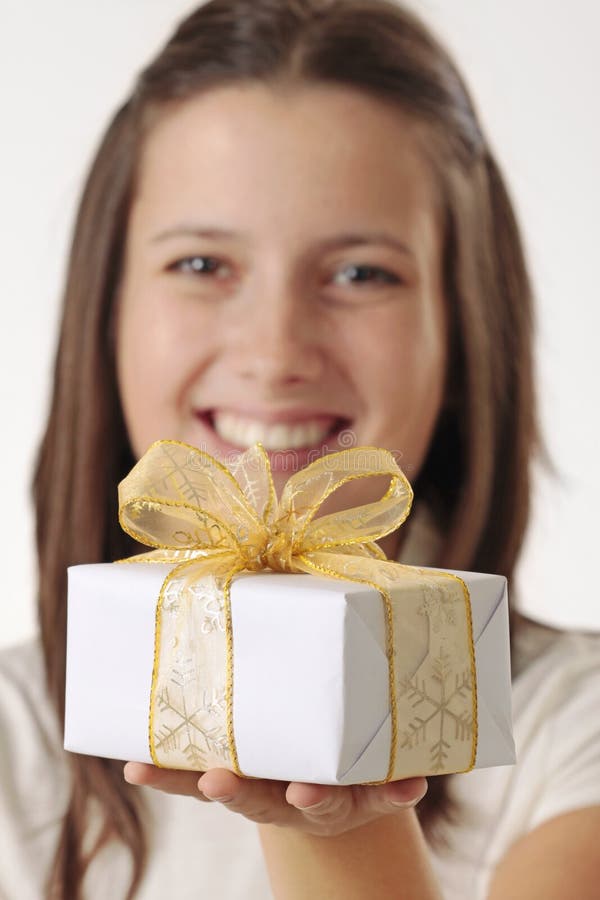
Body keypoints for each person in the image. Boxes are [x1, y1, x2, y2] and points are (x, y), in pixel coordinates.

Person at [1, 0, 599, 897]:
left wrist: (343, 828)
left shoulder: (574, 734)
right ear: (108, 314)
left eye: (361, 273)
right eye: (203, 265)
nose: (277, 355)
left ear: (466, 332)